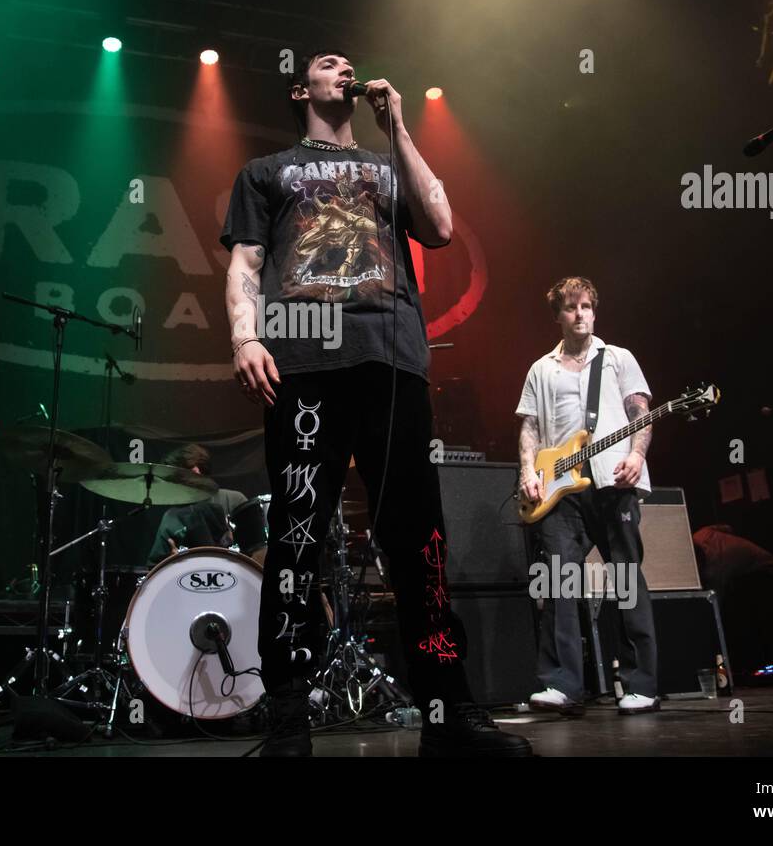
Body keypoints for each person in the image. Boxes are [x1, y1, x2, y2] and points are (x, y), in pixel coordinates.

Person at [220, 49, 531, 757]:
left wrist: (400, 127)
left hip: (393, 363)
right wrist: (245, 340)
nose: (344, 67)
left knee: (419, 544)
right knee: (297, 540)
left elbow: (444, 225)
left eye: (348, 62)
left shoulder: (392, 165)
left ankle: (449, 717)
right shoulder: (265, 172)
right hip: (303, 365)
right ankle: (288, 722)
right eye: (328, 64)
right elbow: (244, 264)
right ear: (302, 88)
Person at [517, 277, 660, 715]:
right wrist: (528, 470)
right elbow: (529, 426)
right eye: (570, 308)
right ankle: (561, 685)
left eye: (586, 307)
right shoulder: (541, 368)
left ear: (594, 311)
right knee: (560, 584)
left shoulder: (618, 359)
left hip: (613, 480)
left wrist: (636, 456)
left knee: (625, 579)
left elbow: (642, 412)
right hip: (560, 492)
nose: (580, 314)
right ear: (557, 315)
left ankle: (642, 685)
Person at [144, 444, 248, 567]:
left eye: (185, 471)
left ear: (198, 470)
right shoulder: (172, 516)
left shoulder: (234, 500)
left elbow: (257, 549)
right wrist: (170, 564)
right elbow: (153, 567)